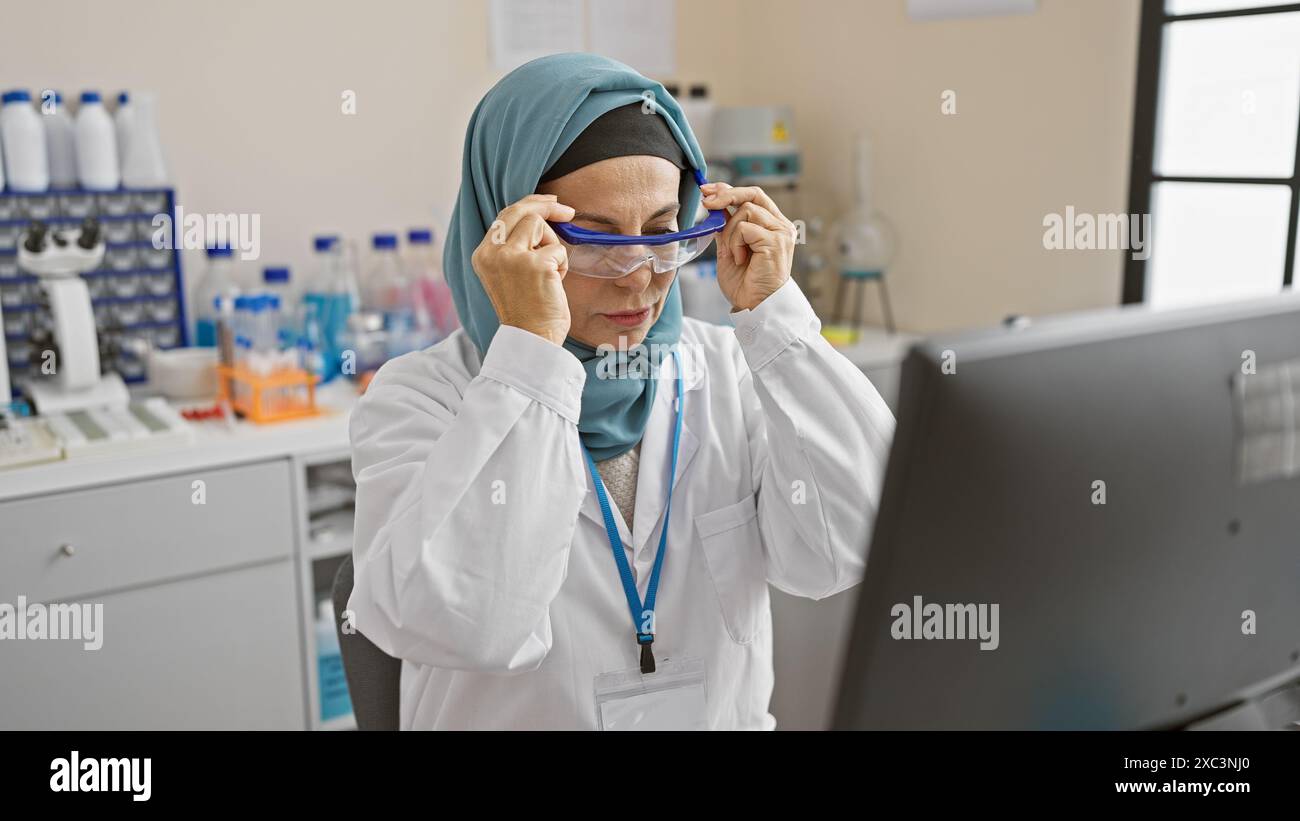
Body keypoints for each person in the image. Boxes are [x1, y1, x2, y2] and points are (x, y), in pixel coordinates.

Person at [347, 53, 895, 729]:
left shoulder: (725, 367)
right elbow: (471, 622)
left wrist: (777, 318)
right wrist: (530, 353)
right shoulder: (421, 397)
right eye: (595, 240)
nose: (638, 279)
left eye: (664, 234)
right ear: (512, 234)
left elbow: (844, 547)